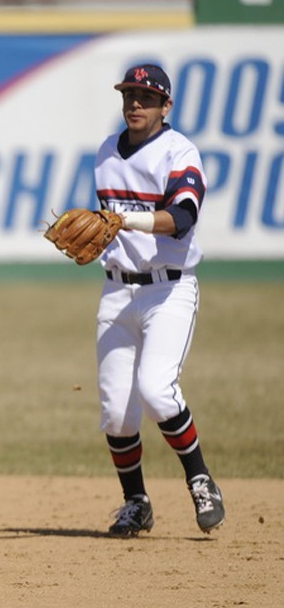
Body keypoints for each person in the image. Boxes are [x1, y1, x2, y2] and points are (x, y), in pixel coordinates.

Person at [93, 63, 225, 536]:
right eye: (129, 95)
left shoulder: (179, 152)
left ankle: (200, 480)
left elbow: (182, 217)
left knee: (157, 391)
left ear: (166, 106)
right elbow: (107, 225)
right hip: (116, 290)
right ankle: (136, 503)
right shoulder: (106, 152)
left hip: (169, 290)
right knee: (116, 413)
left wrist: (127, 221)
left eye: (146, 97)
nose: (135, 104)